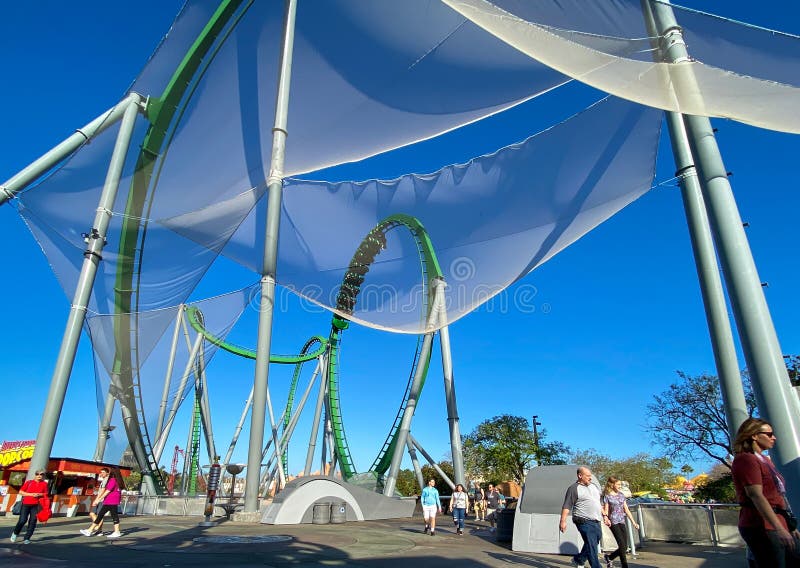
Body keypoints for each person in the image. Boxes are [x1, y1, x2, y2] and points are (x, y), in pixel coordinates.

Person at [731, 417, 800, 567]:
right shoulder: (746, 460)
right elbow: (756, 495)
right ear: (754, 435)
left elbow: (778, 495)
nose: (773, 437)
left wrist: (790, 525)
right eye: (769, 434)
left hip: (779, 521)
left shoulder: (765, 460)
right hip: (763, 526)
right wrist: (778, 527)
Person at [560, 467, 610, 568]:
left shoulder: (594, 486)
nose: (590, 478)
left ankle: (579, 559)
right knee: (592, 545)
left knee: (595, 540)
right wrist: (563, 521)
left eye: (590, 476)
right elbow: (567, 506)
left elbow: (598, 503)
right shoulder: (573, 488)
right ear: (580, 476)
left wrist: (605, 516)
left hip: (596, 519)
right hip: (582, 519)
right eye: (587, 476)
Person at [601, 476, 639, 568]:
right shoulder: (607, 496)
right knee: (621, 544)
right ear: (612, 484)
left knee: (624, 547)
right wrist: (604, 516)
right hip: (613, 522)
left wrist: (633, 522)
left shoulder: (621, 495)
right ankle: (624, 565)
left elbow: (626, 509)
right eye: (618, 484)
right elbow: (606, 510)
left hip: (621, 520)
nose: (619, 486)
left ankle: (609, 557)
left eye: (620, 484)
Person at [80, 468, 123, 539]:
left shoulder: (112, 480)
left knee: (101, 515)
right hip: (114, 500)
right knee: (111, 515)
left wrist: (98, 499)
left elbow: (107, 491)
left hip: (110, 500)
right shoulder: (118, 481)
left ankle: (90, 530)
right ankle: (116, 531)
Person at [10, 470, 49, 544]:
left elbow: (46, 493)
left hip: (36, 505)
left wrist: (39, 494)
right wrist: (31, 494)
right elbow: (21, 492)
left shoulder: (44, 484)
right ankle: (15, 533)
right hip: (26, 504)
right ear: (35, 475)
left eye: (41, 474)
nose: (39, 475)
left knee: (33, 521)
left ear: (43, 475)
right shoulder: (29, 482)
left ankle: (27, 538)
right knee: (22, 520)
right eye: (37, 474)